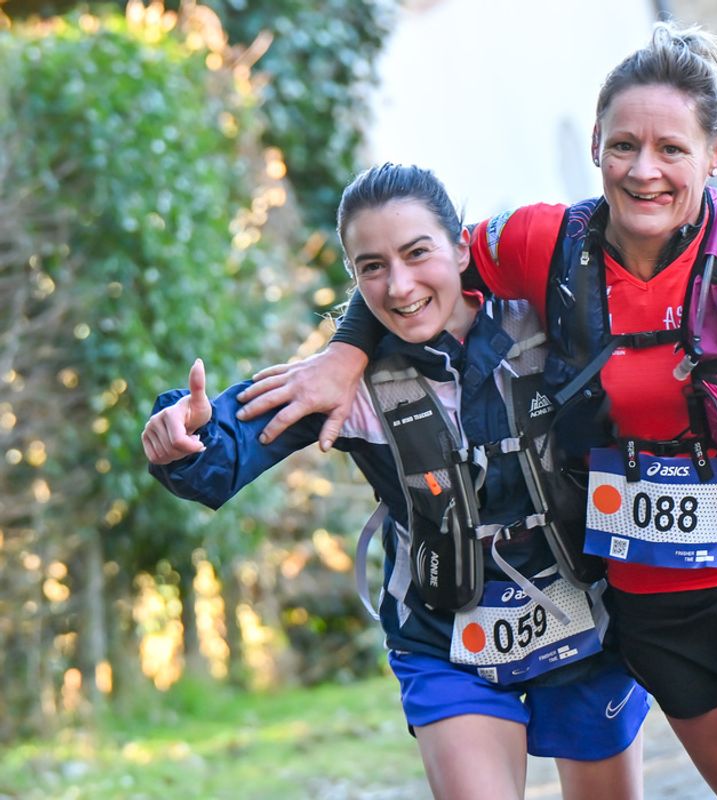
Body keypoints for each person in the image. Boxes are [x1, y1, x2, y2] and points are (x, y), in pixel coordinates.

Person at [236, 23, 717, 799]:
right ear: (596, 149)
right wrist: (342, 354)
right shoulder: (546, 240)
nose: (645, 171)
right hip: (653, 597)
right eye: (623, 147)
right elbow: (419, 260)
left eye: (672, 149)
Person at [143, 164, 656, 800]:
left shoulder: (549, 322)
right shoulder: (343, 382)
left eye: (418, 253)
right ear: (355, 281)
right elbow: (225, 447)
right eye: (372, 267)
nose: (401, 285)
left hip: (585, 619)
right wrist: (184, 443)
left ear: (463, 247)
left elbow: (663, 330)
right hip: (444, 635)